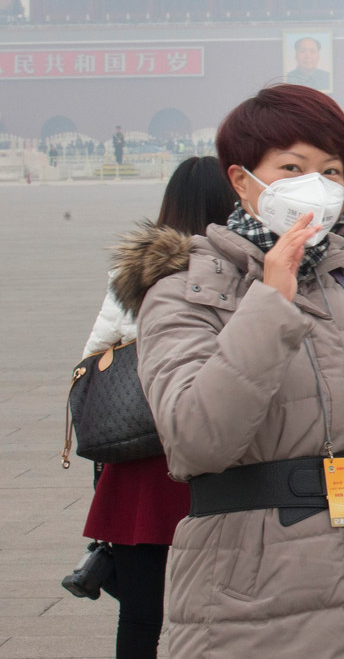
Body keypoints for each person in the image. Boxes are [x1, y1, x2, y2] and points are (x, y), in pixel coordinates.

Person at [113, 84, 344, 657]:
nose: (316, 186)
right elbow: (196, 440)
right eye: (292, 167)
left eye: (332, 171)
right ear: (241, 180)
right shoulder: (185, 291)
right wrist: (269, 306)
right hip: (244, 591)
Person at [81, 156, 236, 658]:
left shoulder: (133, 273)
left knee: (141, 616)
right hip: (217, 457)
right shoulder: (241, 269)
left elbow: (94, 355)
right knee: (230, 610)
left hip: (141, 462)